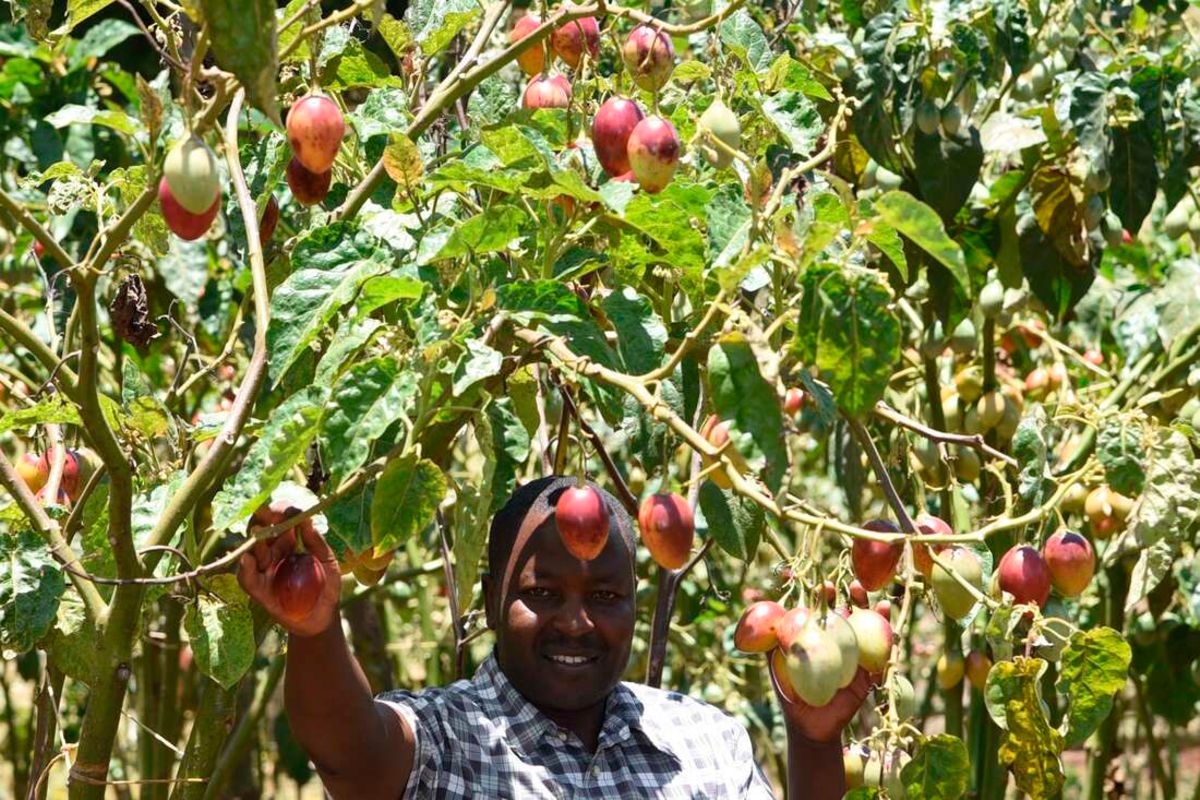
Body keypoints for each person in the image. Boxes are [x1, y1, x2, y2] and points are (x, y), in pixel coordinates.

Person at [238, 476, 875, 799]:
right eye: (542, 594)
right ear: (491, 601)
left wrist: (813, 740)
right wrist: (315, 630)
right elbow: (348, 748)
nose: (576, 621)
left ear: (633, 603)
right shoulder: (448, 739)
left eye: (604, 597)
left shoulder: (705, 742)